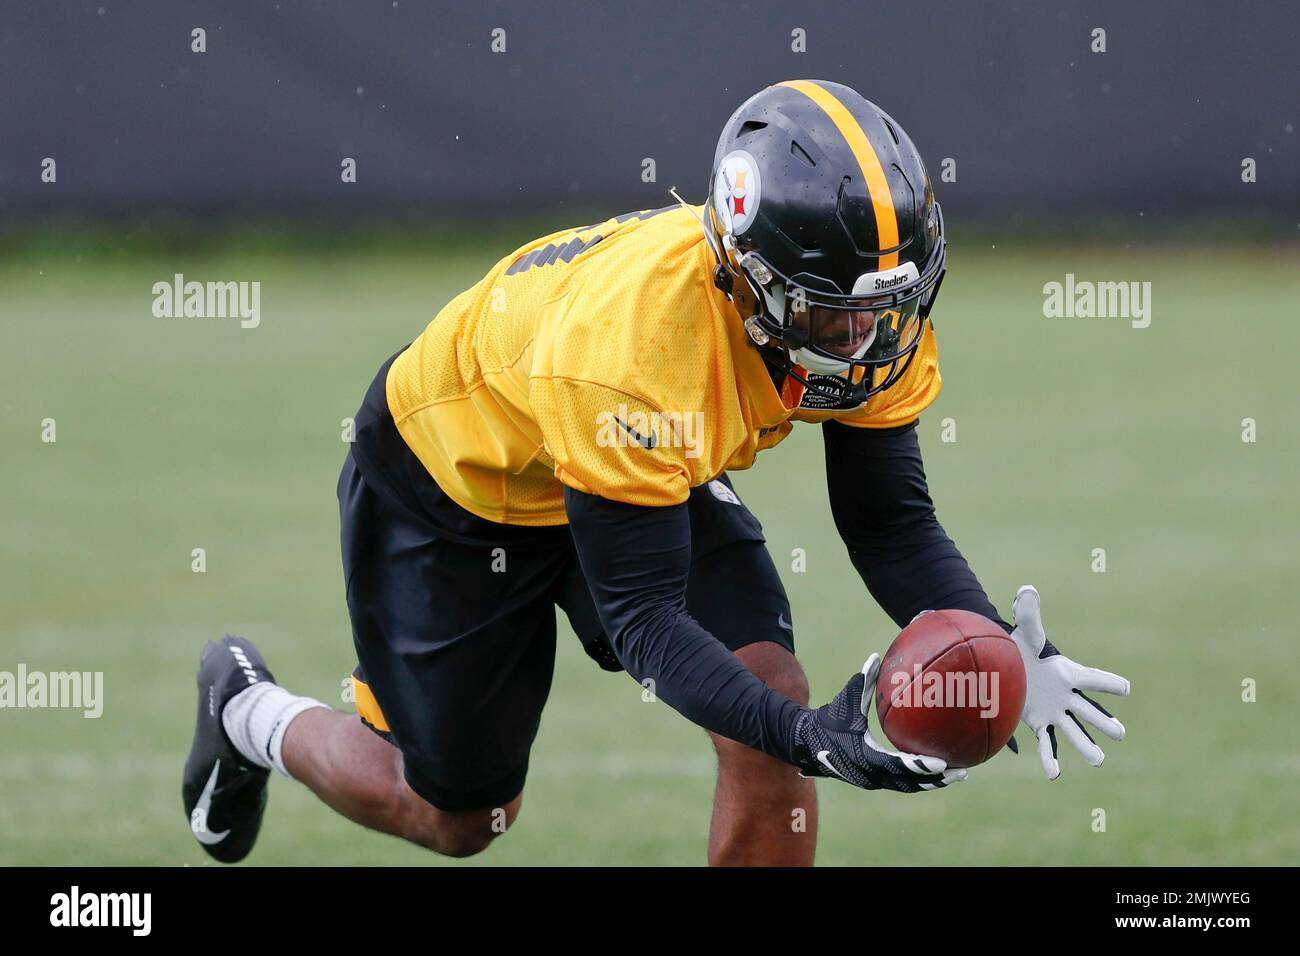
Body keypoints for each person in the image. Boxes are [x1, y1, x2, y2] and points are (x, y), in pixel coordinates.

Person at [183, 80, 1129, 866]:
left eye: (885, 307)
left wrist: (997, 642)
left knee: (769, 691)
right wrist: (808, 741)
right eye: (830, 312)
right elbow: (643, 620)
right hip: (459, 481)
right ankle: (250, 712)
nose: (864, 338)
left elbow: (888, 524)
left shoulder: (860, 317)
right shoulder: (633, 347)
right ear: (744, 275)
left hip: (629, 461)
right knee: (459, 817)